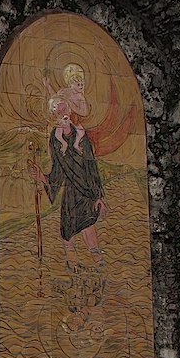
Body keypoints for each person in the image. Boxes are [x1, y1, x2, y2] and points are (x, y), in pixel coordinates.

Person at [32, 64, 107, 269]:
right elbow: (57, 169)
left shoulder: (81, 137)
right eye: (58, 113)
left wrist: (98, 194)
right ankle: (72, 261)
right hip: (70, 191)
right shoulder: (55, 140)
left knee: (88, 223)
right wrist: (43, 178)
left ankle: (97, 258)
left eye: (65, 110)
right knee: (67, 226)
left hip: (86, 188)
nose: (63, 115)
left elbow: (92, 167)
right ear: (54, 117)